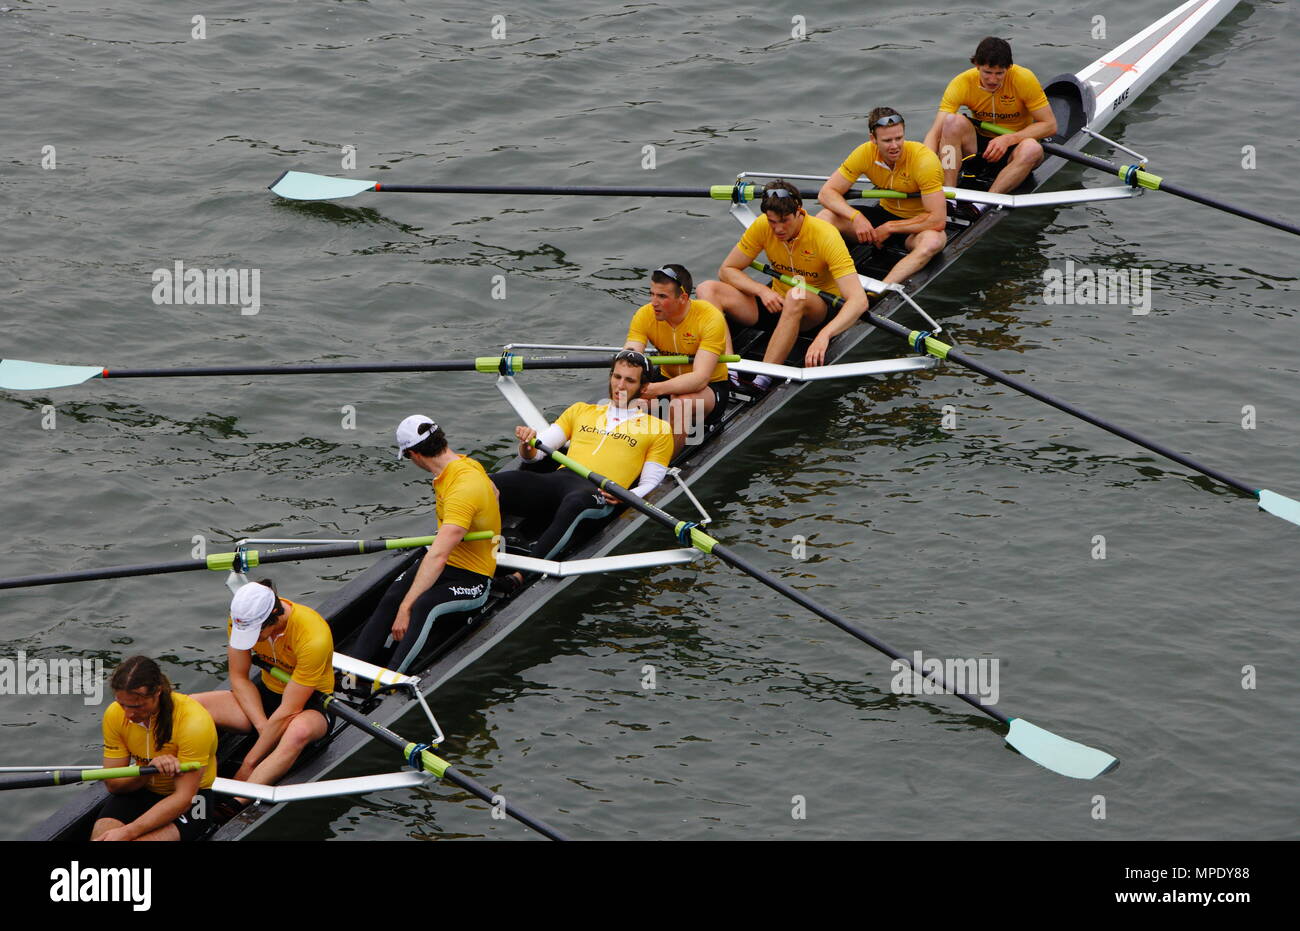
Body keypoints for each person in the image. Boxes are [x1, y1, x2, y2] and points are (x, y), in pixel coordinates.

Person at [492, 351, 674, 570]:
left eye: (629, 380)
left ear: (644, 388)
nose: (620, 386)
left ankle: (522, 575)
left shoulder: (659, 429)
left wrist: (626, 496)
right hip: (558, 482)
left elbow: (650, 484)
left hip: (598, 493)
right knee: (488, 482)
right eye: (617, 377)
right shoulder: (580, 410)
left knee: (576, 501)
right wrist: (526, 443)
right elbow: (537, 454)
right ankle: (466, 544)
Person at [352, 416, 500, 671]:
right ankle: (353, 670)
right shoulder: (464, 465)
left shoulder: (462, 488)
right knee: (392, 596)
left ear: (414, 454)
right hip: (450, 562)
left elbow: (438, 556)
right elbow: (495, 494)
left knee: (421, 606)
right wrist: (468, 527)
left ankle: (392, 681)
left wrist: (406, 609)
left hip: (474, 578)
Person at [696, 180, 869, 383]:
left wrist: (825, 335)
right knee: (707, 289)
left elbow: (858, 301)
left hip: (816, 313)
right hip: (778, 303)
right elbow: (727, 270)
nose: (778, 229)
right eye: (772, 221)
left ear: (798, 211)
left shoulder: (825, 236)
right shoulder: (763, 226)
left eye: (784, 220)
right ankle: (729, 367)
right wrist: (761, 290)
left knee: (795, 297)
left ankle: (764, 377)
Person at [192, 579, 334, 789]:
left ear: (274, 615)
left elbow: (289, 710)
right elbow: (239, 677)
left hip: (310, 705)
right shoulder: (239, 619)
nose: (251, 640)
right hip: (266, 694)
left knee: (298, 732)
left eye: (255, 633)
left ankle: (239, 801)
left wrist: (249, 763)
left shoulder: (313, 637)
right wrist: (263, 728)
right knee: (190, 706)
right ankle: (178, 778)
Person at [91, 655, 218, 841]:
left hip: (194, 801)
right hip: (142, 790)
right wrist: (149, 770)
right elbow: (114, 785)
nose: (128, 714)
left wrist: (127, 832)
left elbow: (184, 799)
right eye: (122, 704)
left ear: (158, 692)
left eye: (137, 706)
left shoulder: (193, 723)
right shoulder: (114, 714)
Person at [816, 107, 947, 285]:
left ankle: (881, 289)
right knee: (824, 218)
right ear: (873, 139)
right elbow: (826, 193)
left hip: (916, 226)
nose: (894, 146)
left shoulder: (925, 162)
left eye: (899, 138)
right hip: (882, 215)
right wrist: (856, 217)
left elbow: (937, 220)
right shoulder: (864, 153)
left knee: (933, 242)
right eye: (887, 140)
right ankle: (822, 275)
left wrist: (889, 227)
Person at [924, 36, 1057, 195]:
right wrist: (924, 165)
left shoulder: (1023, 79)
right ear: (976, 65)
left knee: (1032, 148)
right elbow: (935, 132)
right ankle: (948, 192)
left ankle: (989, 201)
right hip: (978, 146)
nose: (993, 80)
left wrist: (1008, 139)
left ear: (1009, 68)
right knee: (952, 122)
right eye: (987, 72)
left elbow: (1050, 125)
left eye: (999, 73)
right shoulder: (962, 83)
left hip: (1015, 145)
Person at [623, 264, 732, 453]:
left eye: (662, 296)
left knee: (680, 404)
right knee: (627, 398)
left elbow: (700, 379)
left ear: (683, 298)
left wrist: (654, 389)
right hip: (667, 380)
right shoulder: (645, 314)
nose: (653, 302)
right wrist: (628, 383)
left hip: (710, 388)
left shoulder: (709, 318)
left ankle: (664, 467)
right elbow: (629, 359)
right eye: (652, 294)